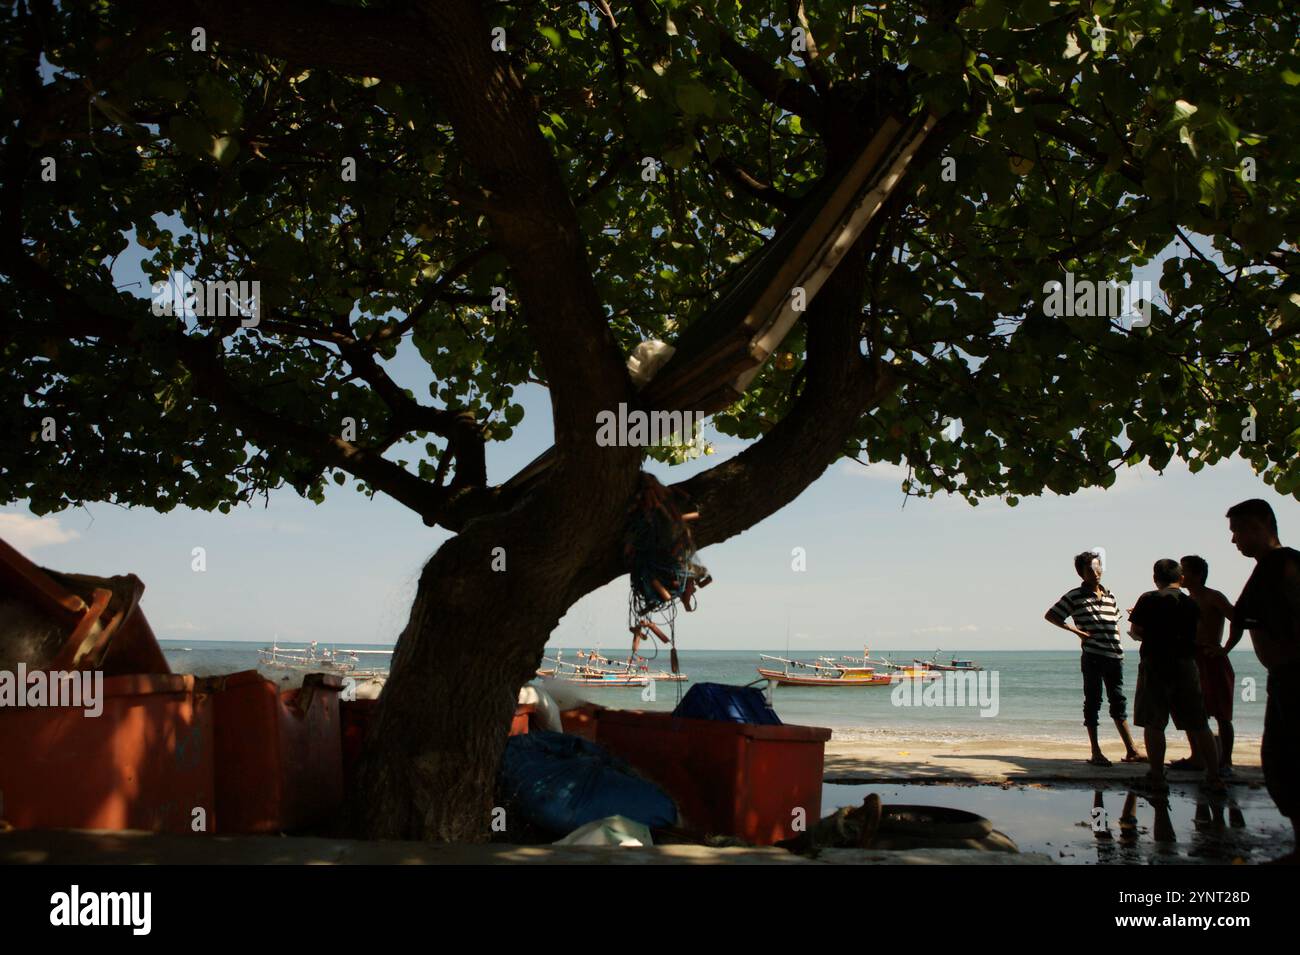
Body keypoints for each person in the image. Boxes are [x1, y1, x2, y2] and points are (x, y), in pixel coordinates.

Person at [1227, 498, 1300, 862]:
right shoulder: (1269, 568)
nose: (1234, 540)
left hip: (1293, 677)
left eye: (1237, 531)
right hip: (1282, 678)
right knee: (1279, 761)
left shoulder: (1283, 565)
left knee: (1286, 760)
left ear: (1258, 526)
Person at [1128, 559, 1222, 792]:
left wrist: (1144, 634)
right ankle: (1214, 776)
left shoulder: (1148, 599)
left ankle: (1157, 776)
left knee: (1154, 722)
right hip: (1186, 664)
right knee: (1199, 723)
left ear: (1155, 579)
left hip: (1155, 663)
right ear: (1180, 578)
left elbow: (1136, 632)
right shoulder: (1191, 603)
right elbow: (1198, 632)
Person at [1046, 550, 1144, 766]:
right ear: (1081, 573)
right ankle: (1096, 752)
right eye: (1090, 569)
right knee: (1093, 702)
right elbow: (1051, 615)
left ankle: (1131, 750)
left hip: (1115, 656)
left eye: (1098, 567)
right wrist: (1076, 632)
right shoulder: (1074, 596)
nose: (1095, 572)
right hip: (1092, 656)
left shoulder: (1110, 595)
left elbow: (1114, 625)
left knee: (1118, 701)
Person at [1175, 555, 1236, 774]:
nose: (1180, 575)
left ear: (1198, 574)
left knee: (1222, 714)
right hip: (1191, 659)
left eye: (1185, 571)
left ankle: (1226, 762)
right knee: (1192, 712)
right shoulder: (1183, 600)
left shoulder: (1213, 597)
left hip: (1212, 659)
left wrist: (1225, 648)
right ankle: (1197, 757)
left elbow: (1236, 618)